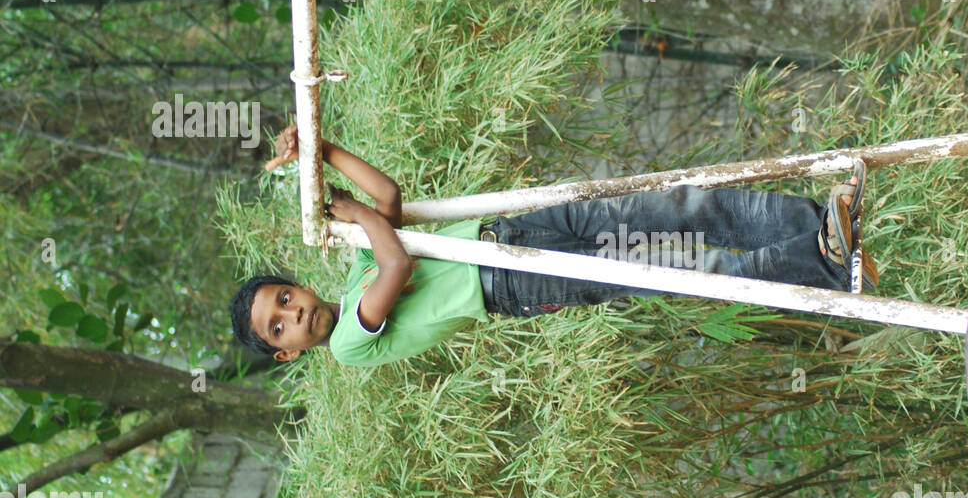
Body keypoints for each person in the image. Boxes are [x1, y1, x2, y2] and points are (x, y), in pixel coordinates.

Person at [230, 125, 878, 367]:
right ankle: (820, 265)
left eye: (284, 297)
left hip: (518, 234)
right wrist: (348, 211)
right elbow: (396, 259)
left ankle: (817, 224)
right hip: (513, 283)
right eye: (279, 326)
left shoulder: (357, 262)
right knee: (679, 266)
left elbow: (389, 199)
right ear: (286, 353)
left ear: (299, 282)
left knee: (679, 211)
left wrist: (324, 152)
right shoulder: (347, 346)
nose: (293, 313)